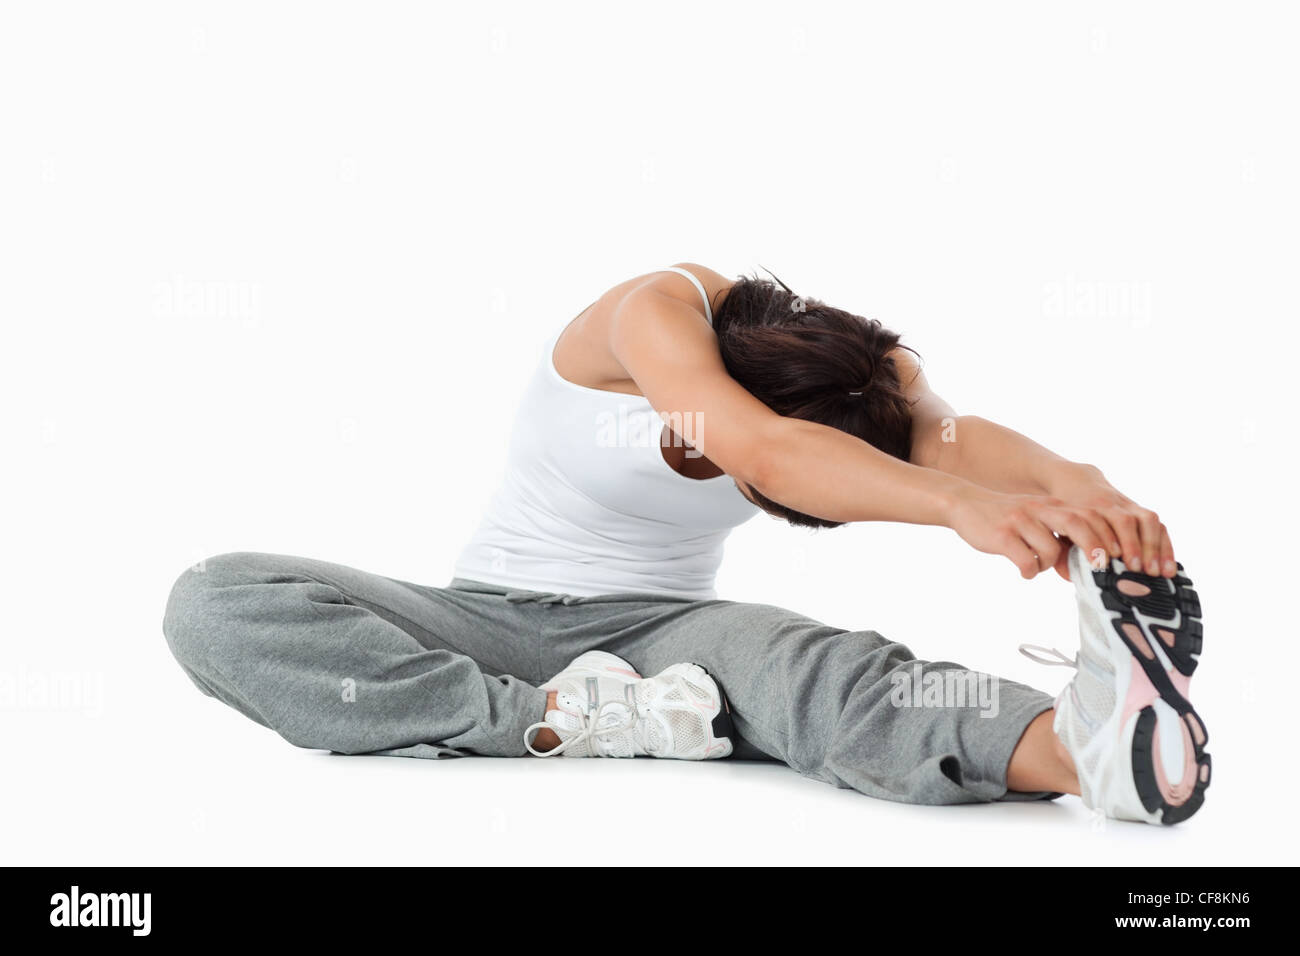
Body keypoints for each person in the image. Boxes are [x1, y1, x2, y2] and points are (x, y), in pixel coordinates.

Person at [162, 263, 1209, 825]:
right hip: (478, 617)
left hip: (672, 643)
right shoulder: (652, 311)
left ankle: (1089, 749)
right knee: (217, 596)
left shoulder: (866, 366)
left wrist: (1084, 489)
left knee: (820, 670)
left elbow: (946, 434)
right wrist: (955, 509)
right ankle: (550, 721)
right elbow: (755, 441)